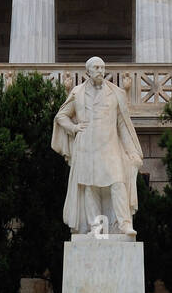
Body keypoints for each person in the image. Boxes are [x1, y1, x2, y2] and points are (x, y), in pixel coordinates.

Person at [51, 57, 144, 236]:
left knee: (118, 182)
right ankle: (96, 227)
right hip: (86, 146)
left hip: (111, 145)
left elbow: (123, 125)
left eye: (102, 67)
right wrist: (74, 128)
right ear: (88, 72)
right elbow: (61, 116)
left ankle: (123, 223)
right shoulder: (78, 92)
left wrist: (132, 152)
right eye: (96, 67)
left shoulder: (116, 93)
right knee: (89, 186)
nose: (100, 70)